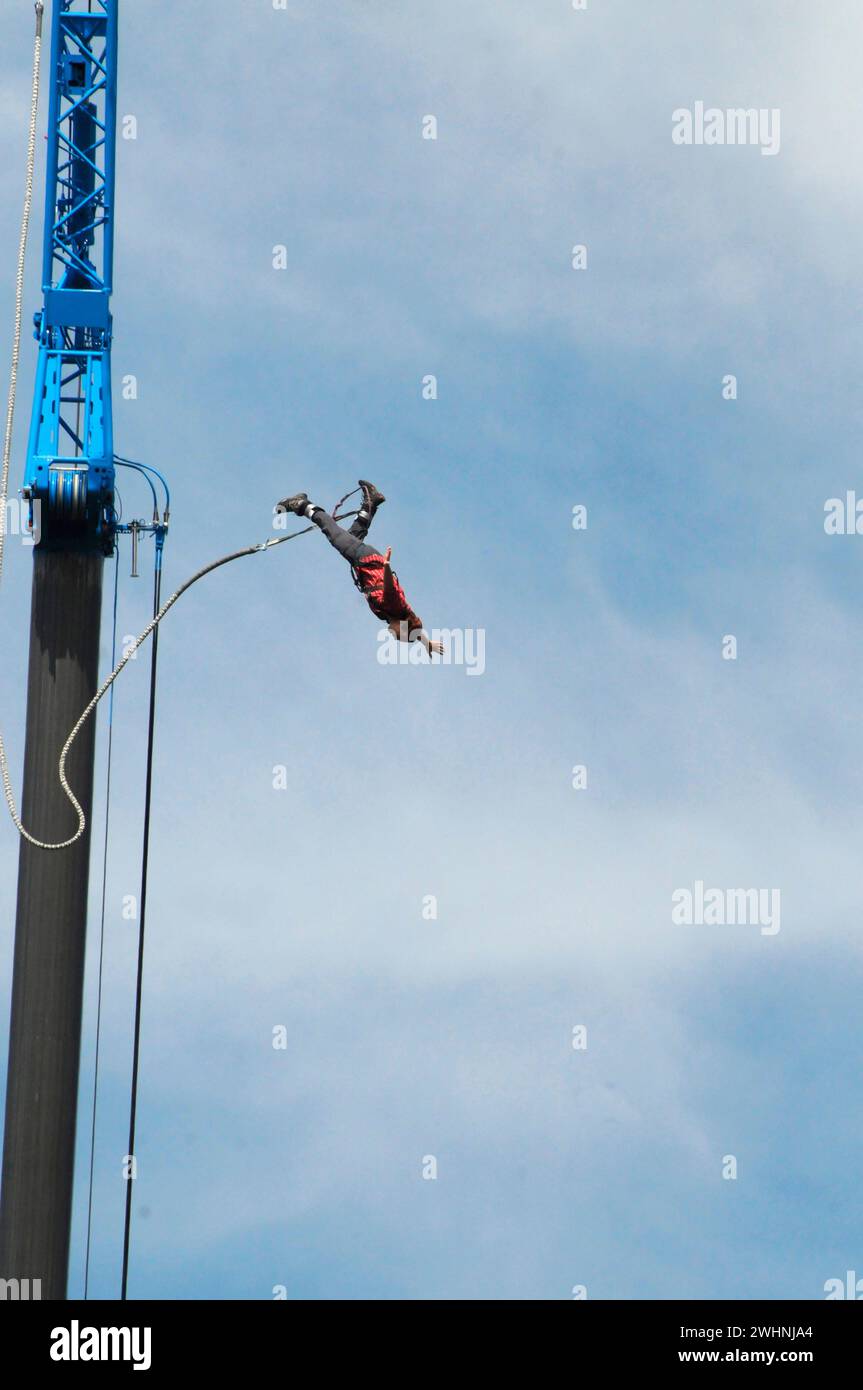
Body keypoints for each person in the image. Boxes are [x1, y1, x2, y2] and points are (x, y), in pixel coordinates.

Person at [277, 481, 444, 654]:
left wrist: (427, 643)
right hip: (365, 558)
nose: (394, 637)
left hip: (362, 562)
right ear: (401, 627)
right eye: (398, 636)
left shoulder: (390, 616)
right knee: (332, 532)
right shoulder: (395, 607)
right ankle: (301, 504)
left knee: (351, 535)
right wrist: (386, 566)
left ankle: (371, 503)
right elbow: (390, 587)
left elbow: (416, 630)